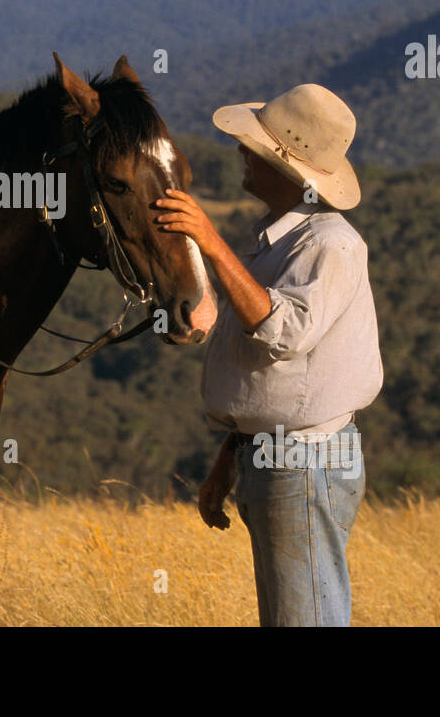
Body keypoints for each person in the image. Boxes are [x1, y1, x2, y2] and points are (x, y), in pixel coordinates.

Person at [154, 83, 383, 626]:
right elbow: (271, 383)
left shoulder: (331, 244)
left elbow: (285, 332)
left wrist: (211, 243)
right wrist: (229, 460)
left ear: (288, 170)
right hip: (280, 457)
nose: (241, 152)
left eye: (254, 149)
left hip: (302, 463)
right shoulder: (283, 241)